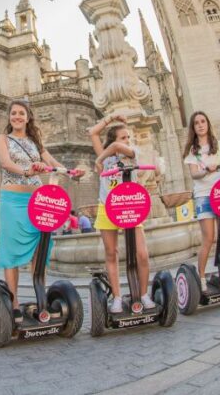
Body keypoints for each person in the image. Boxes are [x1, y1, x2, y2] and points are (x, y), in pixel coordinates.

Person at [0, 99, 78, 322]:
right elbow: (5, 163)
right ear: (10, 117)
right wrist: (28, 171)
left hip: (37, 201)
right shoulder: (2, 139)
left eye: (21, 113)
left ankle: (39, 298)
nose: (17, 117)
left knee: (38, 252)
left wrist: (72, 172)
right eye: (14, 113)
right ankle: (13, 303)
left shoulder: (35, 142)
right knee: (11, 253)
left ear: (28, 117)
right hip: (12, 200)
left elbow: (53, 163)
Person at [89, 114, 156, 313]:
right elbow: (92, 132)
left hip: (130, 205)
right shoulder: (107, 153)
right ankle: (117, 297)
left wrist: (100, 158)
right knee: (111, 253)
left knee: (142, 254)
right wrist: (111, 118)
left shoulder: (131, 152)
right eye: (123, 137)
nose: (127, 140)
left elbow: (117, 148)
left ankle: (143, 294)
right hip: (107, 206)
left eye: (128, 137)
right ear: (112, 139)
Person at [183, 111, 220, 291]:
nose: (200, 125)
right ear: (193, 128)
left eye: (203, 121)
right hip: (203, 195)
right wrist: (206, 171)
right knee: (208, 238)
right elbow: (194, 174)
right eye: (196, 123)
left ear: (208, 124)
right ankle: (201, 276)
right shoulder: (193, 151)